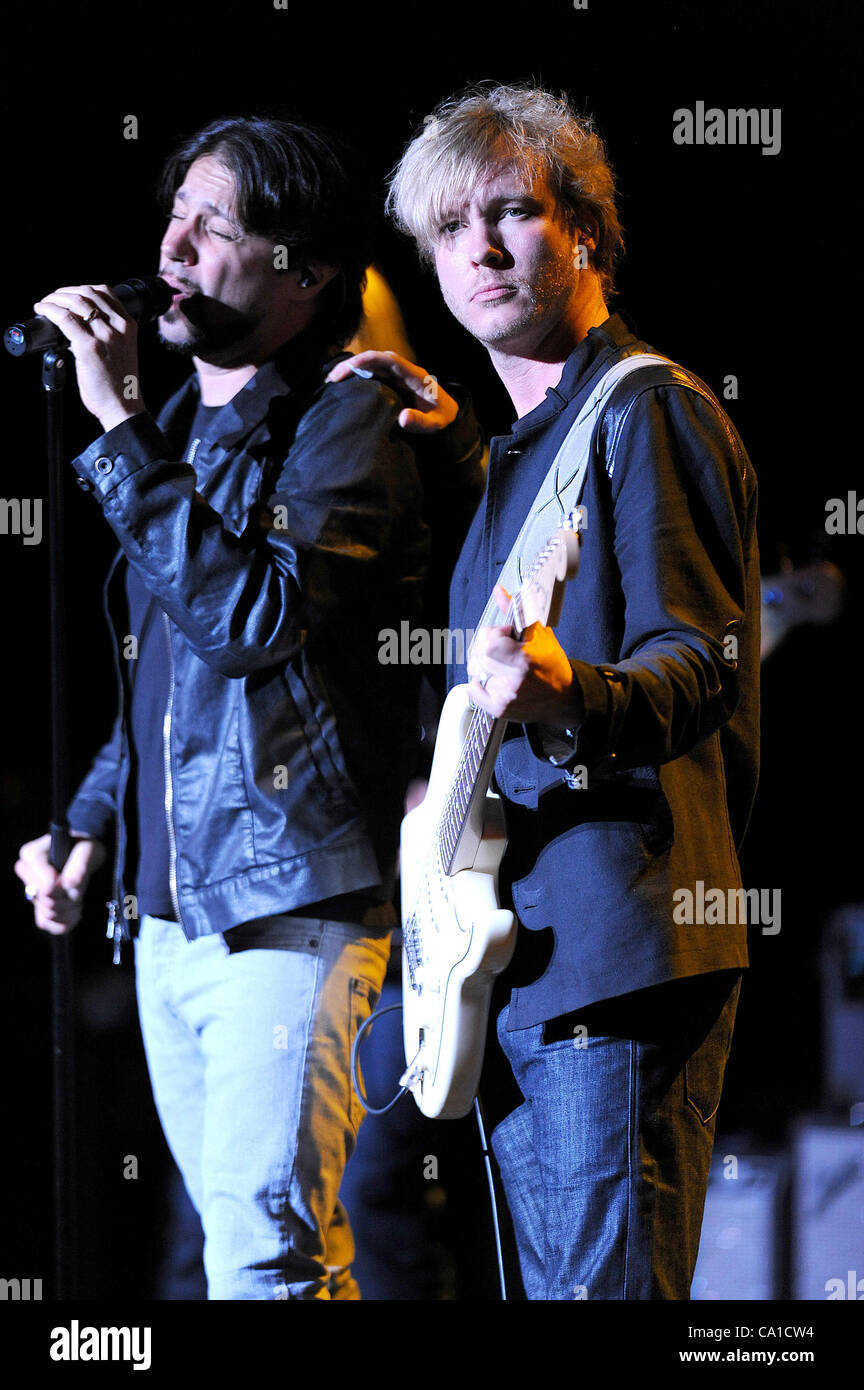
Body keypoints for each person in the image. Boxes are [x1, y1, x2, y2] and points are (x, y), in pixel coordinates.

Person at [14, 114, 484, 1299]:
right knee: (265, 1258)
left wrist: (115, 426)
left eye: (212, 225)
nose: (170, 245)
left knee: (262, 1260)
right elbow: (161, 686)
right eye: (173, 216)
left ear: (305, 270)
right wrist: (88, 833)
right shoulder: (180, 429)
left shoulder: (346, 421)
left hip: (292, 903)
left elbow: (253, 622)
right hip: (174, 921)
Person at [331, 83, 760, 1300]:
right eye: (448, 229)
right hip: (524, 957)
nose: (479, 248)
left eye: (511, 212)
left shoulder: (653, 409)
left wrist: (575, 698)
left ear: (585, 231)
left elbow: (704, 662)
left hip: (617, 952)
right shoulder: (514, 459)